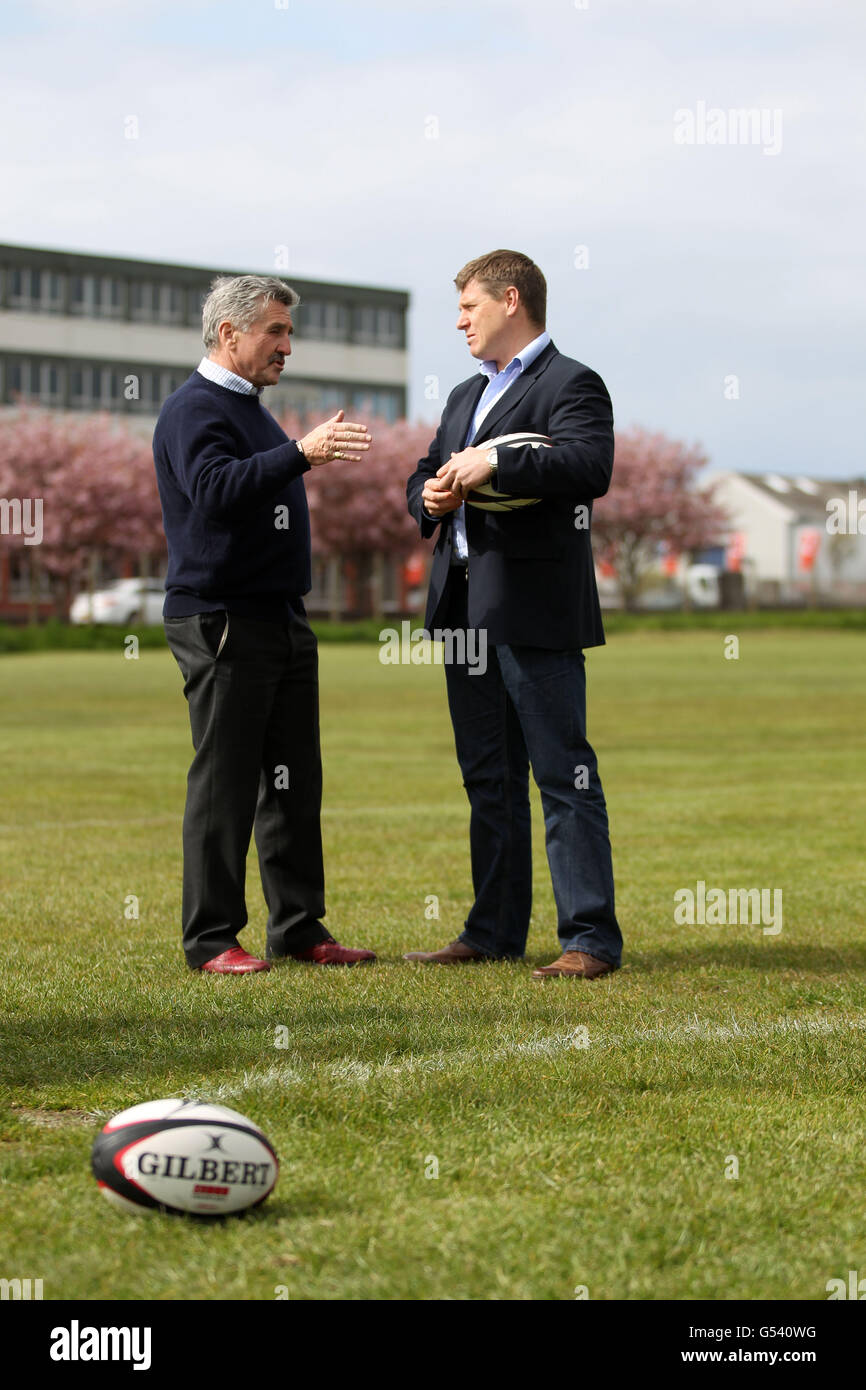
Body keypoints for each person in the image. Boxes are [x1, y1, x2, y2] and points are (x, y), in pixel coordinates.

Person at [404, 250, 622, 979]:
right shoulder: (465, 393)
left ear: (510, 298)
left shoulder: (572, 382)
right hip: (461, 607)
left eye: (468, 306)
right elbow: (427, 468)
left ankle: (589, 940)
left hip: (534, 610)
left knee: (563, 774)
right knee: (486, 779)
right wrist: (427, 497)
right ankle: (492, 931)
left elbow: (589, 467)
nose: (460, 321)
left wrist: (497, 463)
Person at [153, 273, 376, 975]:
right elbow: (216, 494)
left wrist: (291, 454)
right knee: (225, 782)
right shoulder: (194, 409)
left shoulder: (250, 408)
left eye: (288, 331)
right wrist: (301, 453)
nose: (288, 345)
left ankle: (299, 927)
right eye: (275, 331)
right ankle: (211, 939)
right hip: (223, 620)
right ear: (229, 334)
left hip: (280, 617)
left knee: (291, 780)